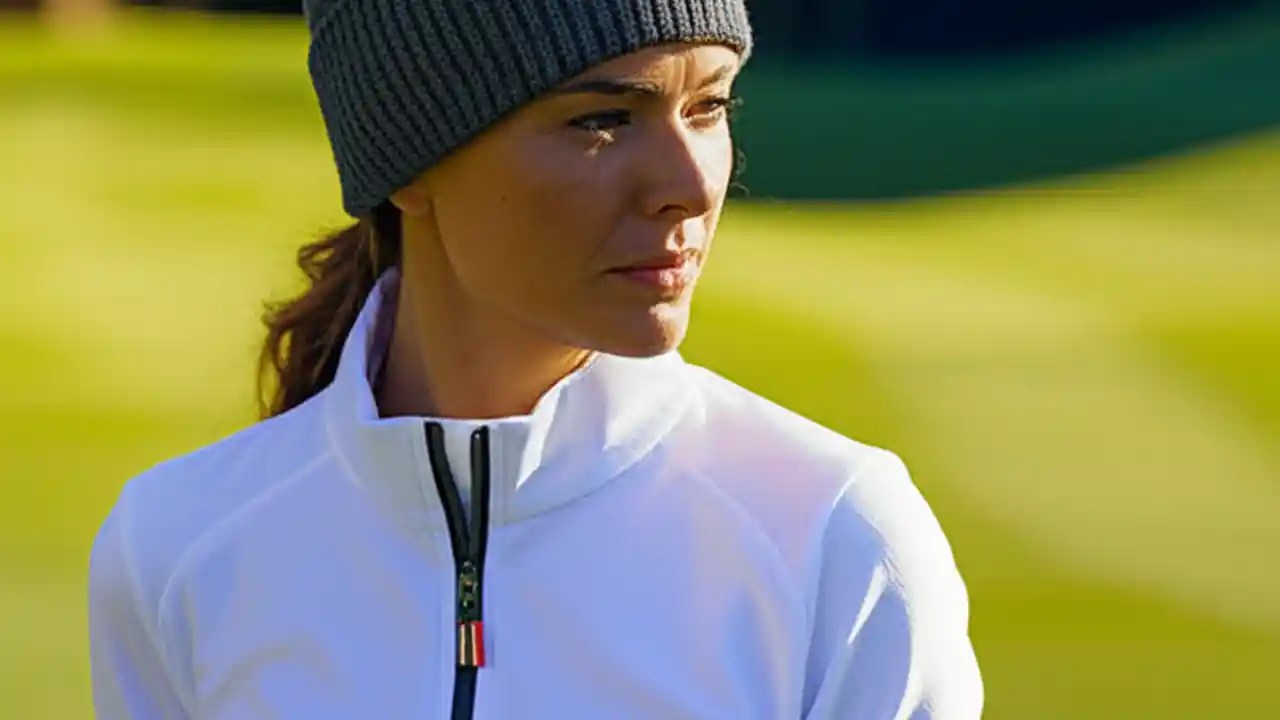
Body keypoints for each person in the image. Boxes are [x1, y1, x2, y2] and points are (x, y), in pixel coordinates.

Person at [87, 1, 983, 718]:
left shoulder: (836, 538)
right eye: (601, 119)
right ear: (408, 155)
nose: (691, 182)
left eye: (708, 105)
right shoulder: (179, 550)